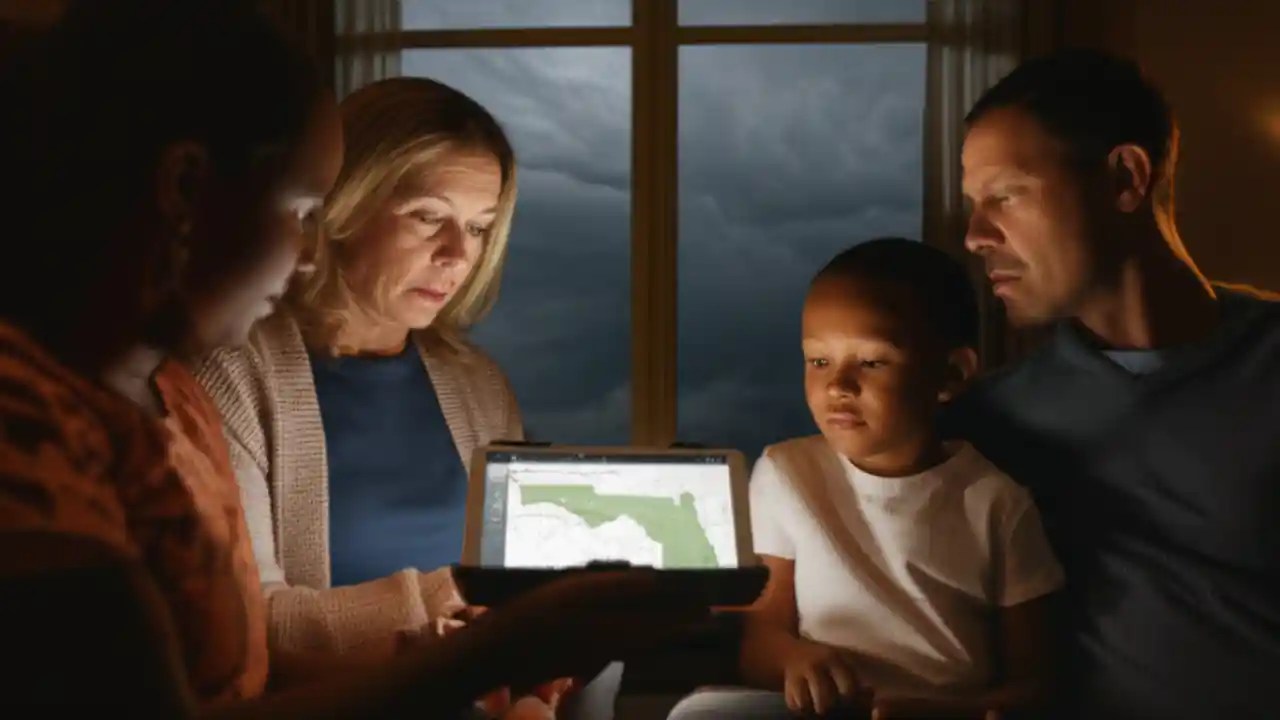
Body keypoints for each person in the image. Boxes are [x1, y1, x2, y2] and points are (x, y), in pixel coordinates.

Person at [0, 1, 704, 715]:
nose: (311, 253)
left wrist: (493, 661)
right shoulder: (44, 432)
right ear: (184, 189)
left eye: (480, 229)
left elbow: (230, 683)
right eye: (302, 210)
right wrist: (485, 644)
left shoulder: (153, 409)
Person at [945, 48, 1280, 719]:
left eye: (1005, 195)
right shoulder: (986, 425)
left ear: (1125, 178)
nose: (976, 235)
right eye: (975, 205)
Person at [668, 239, 1065, 720]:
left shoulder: (997, 503)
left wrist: (956, 712)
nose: (837, 385)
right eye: (819, 361)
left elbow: (1034, 686)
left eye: (872, 362)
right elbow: (760, 637)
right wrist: (795, 660)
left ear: (950, 374)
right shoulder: (787, 473)